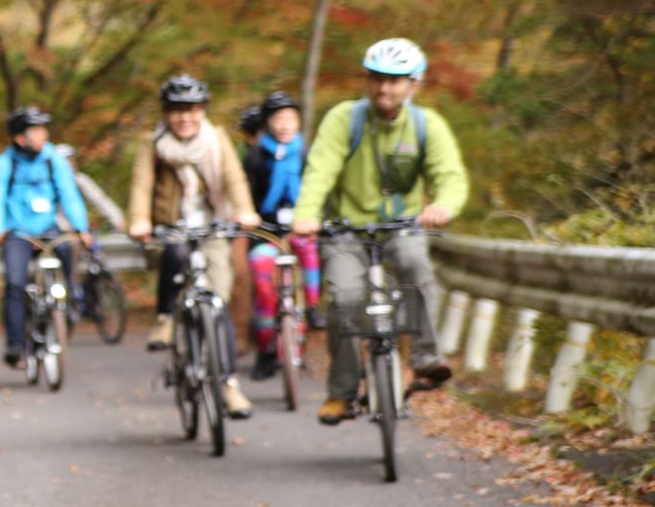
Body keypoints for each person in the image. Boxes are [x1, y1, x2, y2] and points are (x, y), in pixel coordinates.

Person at [290, 37, 469, 427]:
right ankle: (340, 392)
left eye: (395, 80)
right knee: (343, 298)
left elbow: (450, 176)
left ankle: (425, 360)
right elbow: (321, 169)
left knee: (414, 264)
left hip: (402, 227)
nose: (384, 88)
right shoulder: (344, 118)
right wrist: (306, 214)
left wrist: (443, 206)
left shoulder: (426, 125)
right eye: (376, 78)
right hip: (347, 230)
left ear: (412, 84)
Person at [127, 74, 261, 419]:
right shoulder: (153, 143)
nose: (185, 117)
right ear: (167, 114)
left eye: (192, 109)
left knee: (217, 304)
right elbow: (141, 185)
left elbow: (234, 178)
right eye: (176, 111)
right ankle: (166, 318)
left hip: (212, 225)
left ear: (202, 111)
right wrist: (139, 220)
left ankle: (229, 385)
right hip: (170, 226)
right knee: (176, 253)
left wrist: (245, 211)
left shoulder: (216, 140)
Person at [0, 106, 91, 368]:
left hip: (49, 230)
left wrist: (81, 227)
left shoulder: (52, 158)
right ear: (20, 137)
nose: (44, 136)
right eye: (37, 131)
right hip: (17, 233)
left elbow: (69, 194)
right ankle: (15, 344)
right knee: (15, 283)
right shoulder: (4, 163)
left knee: (68, 252)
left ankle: (69, 303)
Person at [241, 90, 325, 380]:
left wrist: (316, 218)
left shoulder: (308, 153)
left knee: (310, 251)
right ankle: (264, 351)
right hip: (266, 231)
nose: (286, 125)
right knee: (264, 284)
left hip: (302, 227)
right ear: (268, 123)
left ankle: (313, 308)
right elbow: (245, 195)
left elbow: (321, 188)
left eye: (291, 118)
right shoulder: (255, 157)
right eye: (279, 119)